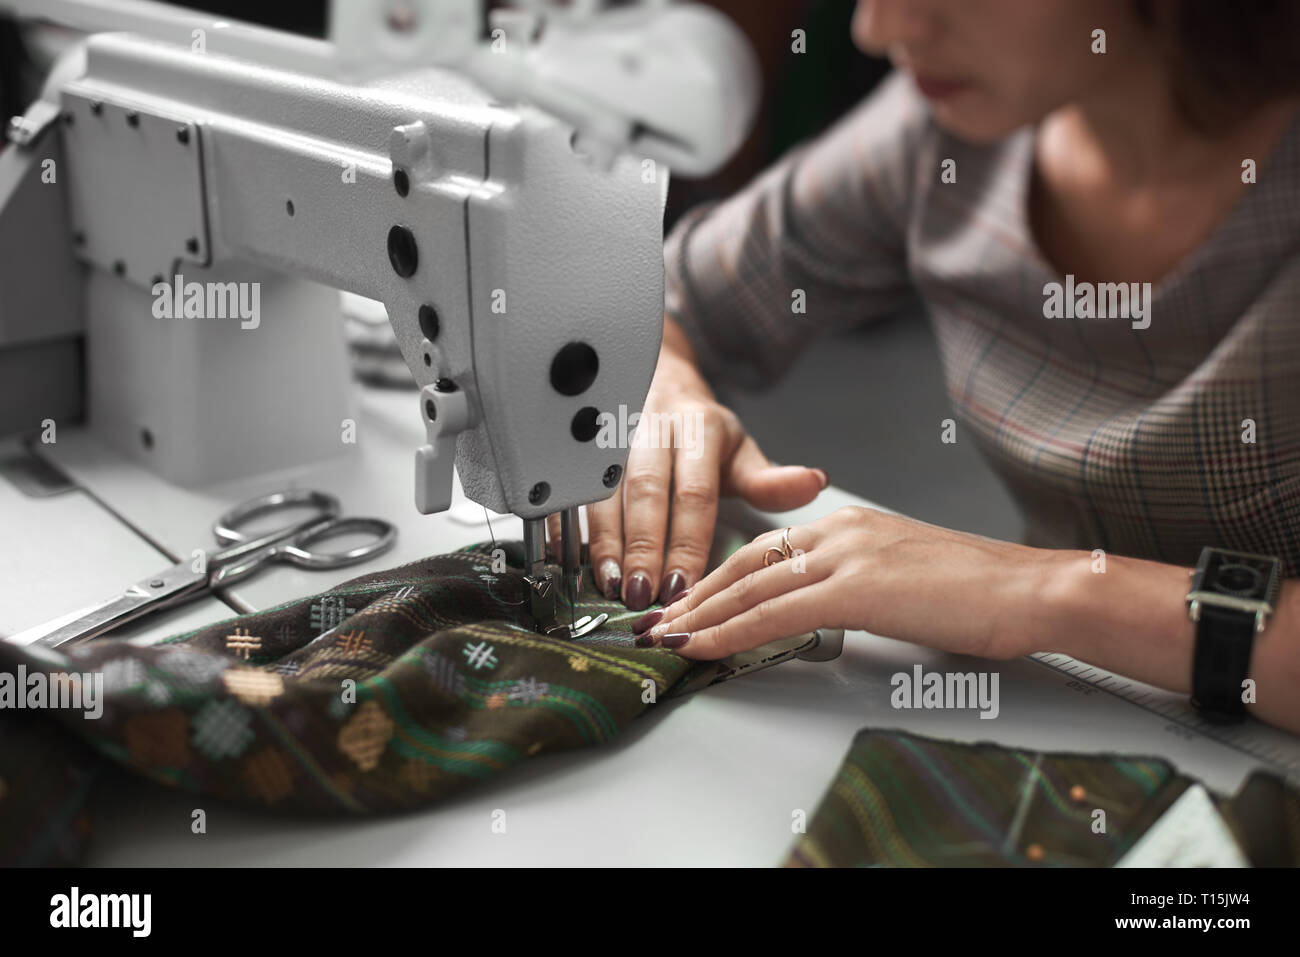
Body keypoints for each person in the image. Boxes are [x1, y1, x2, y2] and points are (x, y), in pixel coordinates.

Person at [581, 0, 1300, 732]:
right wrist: (664, 388)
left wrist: (1048, 592)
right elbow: (667, 299)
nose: (878, 30)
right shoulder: (955, 127)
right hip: (1093, 712)